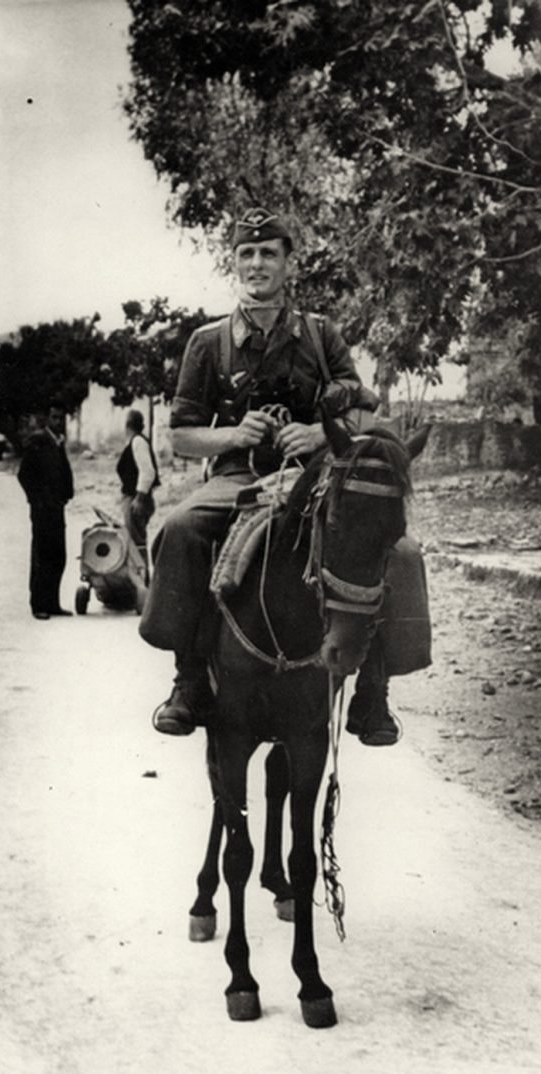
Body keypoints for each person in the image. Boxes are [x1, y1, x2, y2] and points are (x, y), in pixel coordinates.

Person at [139, 207, 402, 742]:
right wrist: (235, 434)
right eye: (246, 254)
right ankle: (189, 681)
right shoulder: (208, 343)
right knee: (180, 530)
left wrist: (318, 434)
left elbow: (364, 411)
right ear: (234, 263)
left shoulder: (320, 335)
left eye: (268, 253)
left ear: (288, 264)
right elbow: (182, 435)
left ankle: (373, 693)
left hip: (316, 478)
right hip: (239, 479)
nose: (257, 264)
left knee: (396, 548)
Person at [17, 400, 74, 620]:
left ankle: (53, 603)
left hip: (57, 508)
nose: (59, 421)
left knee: (58, 555)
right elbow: (24, 475)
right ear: (47, 419)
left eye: (61, 418)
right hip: (43, 510)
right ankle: (39, 604)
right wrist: (36, 500)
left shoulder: (57, 442)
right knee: (42, 555)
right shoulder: (38, 441)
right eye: (55, 417)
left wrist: (66, 495)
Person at [117, 408, 160, 578]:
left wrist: (139, 498)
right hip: (135, 497)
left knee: (137, 544)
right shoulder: (137, 441)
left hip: (137, 499)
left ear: (127, 425)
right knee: (136, 542)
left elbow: (148, 472)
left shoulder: (137, 442)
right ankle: (140, 581)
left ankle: (142, 583)